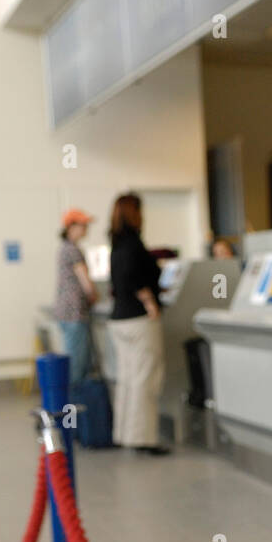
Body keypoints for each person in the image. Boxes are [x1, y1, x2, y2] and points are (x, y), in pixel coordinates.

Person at [106, 193, 168, 456]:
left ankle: (124, 434)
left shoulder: (116, 243)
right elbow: (134, 277)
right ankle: (144, 439)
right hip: (138, 319)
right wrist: (149, 301)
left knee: (128, 379)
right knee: (145, 379)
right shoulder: (133, 243)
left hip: (119, 320)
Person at [53, 208, 98, 390]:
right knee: (77, 367)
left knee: (76, 361)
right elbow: (85, 280)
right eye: (83, 225)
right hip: (75, 313)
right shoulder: (73, 250)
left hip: (66, 312)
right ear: (71, 227)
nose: (86, 229)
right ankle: (75, 410)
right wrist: (94, 295)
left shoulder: (64, 248)